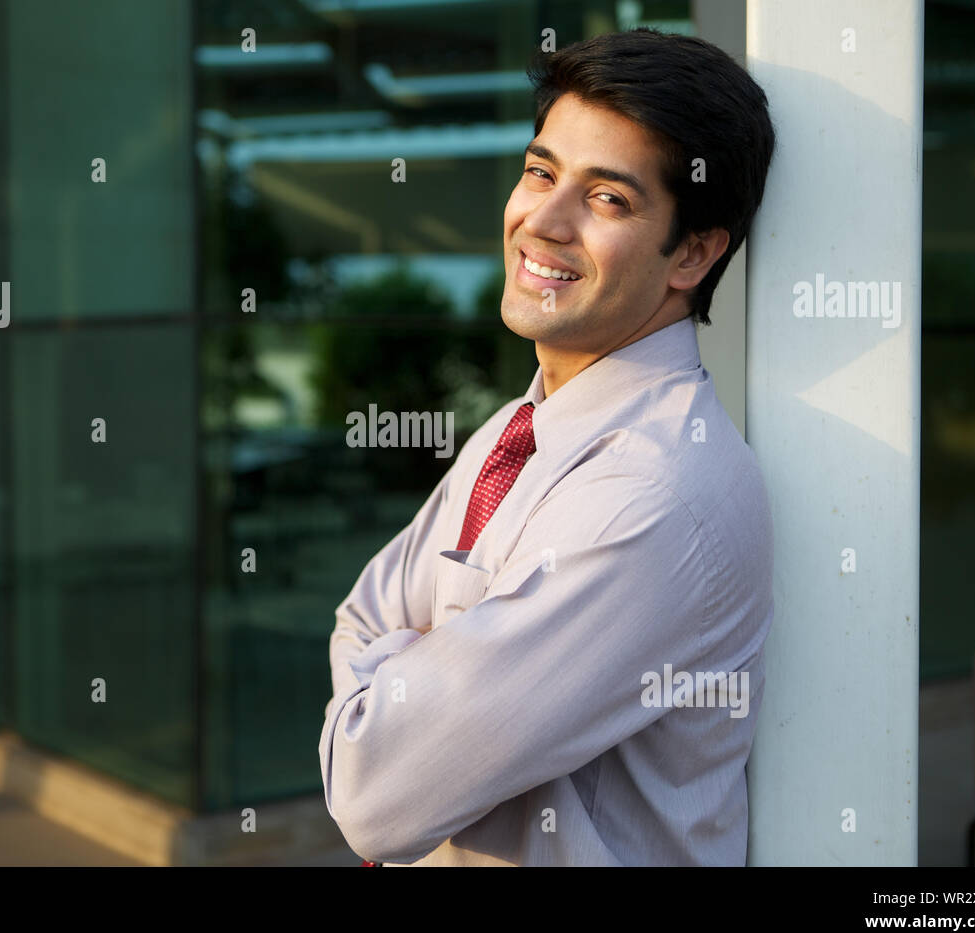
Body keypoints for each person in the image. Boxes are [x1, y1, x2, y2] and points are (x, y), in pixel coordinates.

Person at [318, 28, 777, 866]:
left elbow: (374, 791)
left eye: (608, 198)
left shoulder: (654, 492)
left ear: (697, 252)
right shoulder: (516, 428)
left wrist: (406, 686)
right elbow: (359, 616)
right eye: (540, 171)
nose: (543, 221)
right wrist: (412, 676)